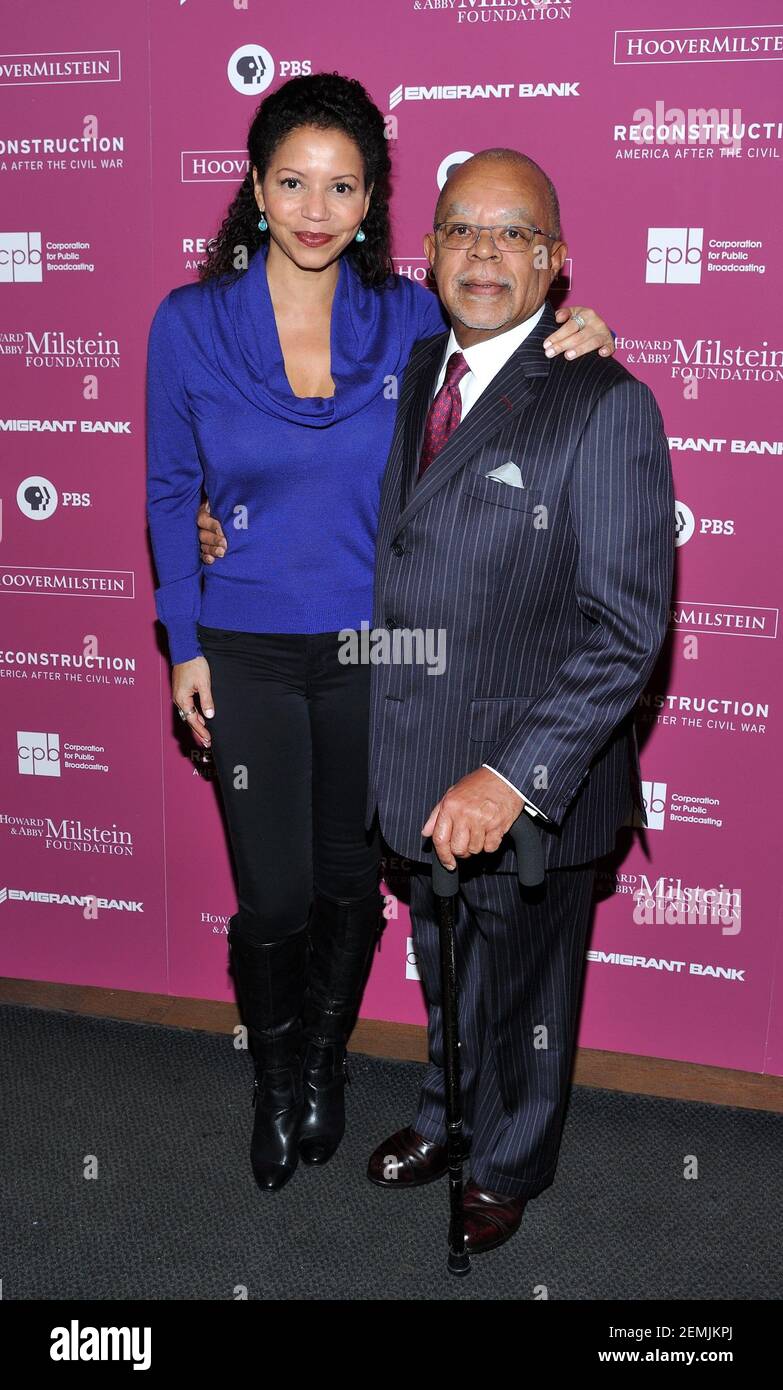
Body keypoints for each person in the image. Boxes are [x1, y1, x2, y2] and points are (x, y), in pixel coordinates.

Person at [147, 73, 616, 1197]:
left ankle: (322, 1067)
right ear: (257, 189)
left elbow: (505, 347)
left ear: (371, 201)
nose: (317, 207)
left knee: (357, 882)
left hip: (380, 647)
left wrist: (579, 328)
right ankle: (272, 1081)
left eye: (343, 185)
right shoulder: (188, 322)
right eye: (294, 181)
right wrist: (183, 642)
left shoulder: (407, 314)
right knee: (273, 895)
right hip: (245, 640)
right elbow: (172, 492)